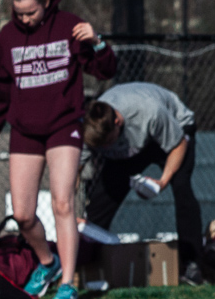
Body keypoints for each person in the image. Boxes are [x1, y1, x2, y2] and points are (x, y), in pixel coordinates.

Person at [0, 0, 116, 299]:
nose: (24, 19)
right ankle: (48, 264)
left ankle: (68, 283)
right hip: (25, 130)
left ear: (46, 3)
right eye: (19, 13)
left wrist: (97, 42)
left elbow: (106, 70)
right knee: (23, 214)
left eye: (31, 12)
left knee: (62, 202)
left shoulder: (69, 25)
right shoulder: (8, 37)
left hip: (63, 125)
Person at [79, 82, 206, 286]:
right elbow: (74, 173)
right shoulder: (90, 130)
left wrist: (161, 182)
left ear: (118, 121)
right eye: (99, 146)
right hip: (132, 146)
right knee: (101, 201)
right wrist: (69, 206)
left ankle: (192, 264)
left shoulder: (149, 112)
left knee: (182, 188)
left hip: (175, 131)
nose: (104, 148)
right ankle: (86, 262)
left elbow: (179, 144)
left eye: (107, 143)